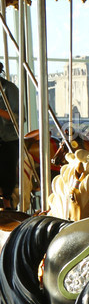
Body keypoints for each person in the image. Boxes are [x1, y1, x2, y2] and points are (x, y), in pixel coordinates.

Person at [0, 63, 20, 209]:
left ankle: (7, 201)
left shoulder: (9, 89)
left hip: (7, 138)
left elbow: (17, 116)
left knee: (7, 171)